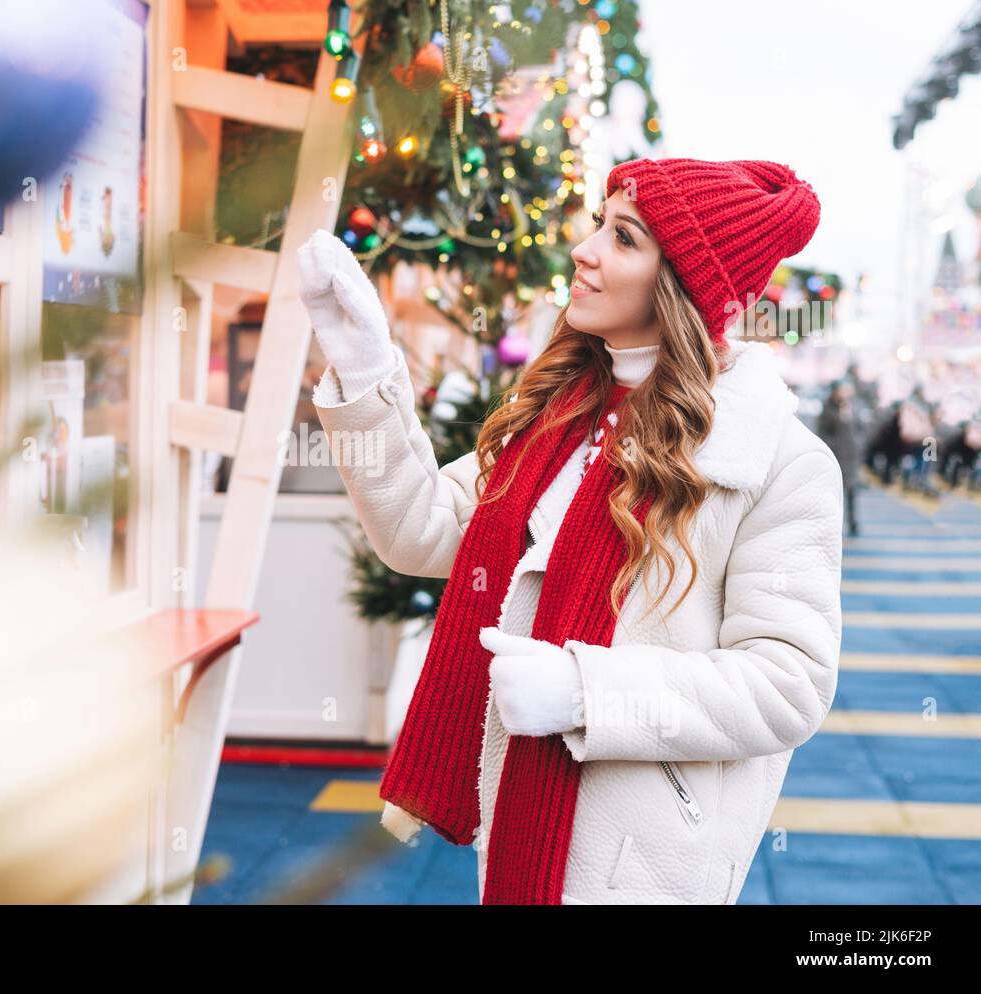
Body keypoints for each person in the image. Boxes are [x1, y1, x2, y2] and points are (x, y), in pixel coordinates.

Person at [298, 157, 844, 905]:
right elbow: (416, 530)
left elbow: (789, 684)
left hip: (642, 863)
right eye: (598, 224)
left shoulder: (775, 460)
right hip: (523, 819)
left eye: (623, 238)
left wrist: (589, 692)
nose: (585, 250)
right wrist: (363, 368)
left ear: (684, 284)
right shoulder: (558, 417)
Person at [817, 380, 861, 535]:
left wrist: (858, 444)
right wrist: (834, 447)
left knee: (852, 492)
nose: (846, 393)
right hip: (836, 457)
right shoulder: (828, 409)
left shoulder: (851, 407)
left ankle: (853, 522)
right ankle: (832, 524)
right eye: (843, 389)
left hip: (851, 457)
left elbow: (860, 428)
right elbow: (822, 433)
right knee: (835, 493)